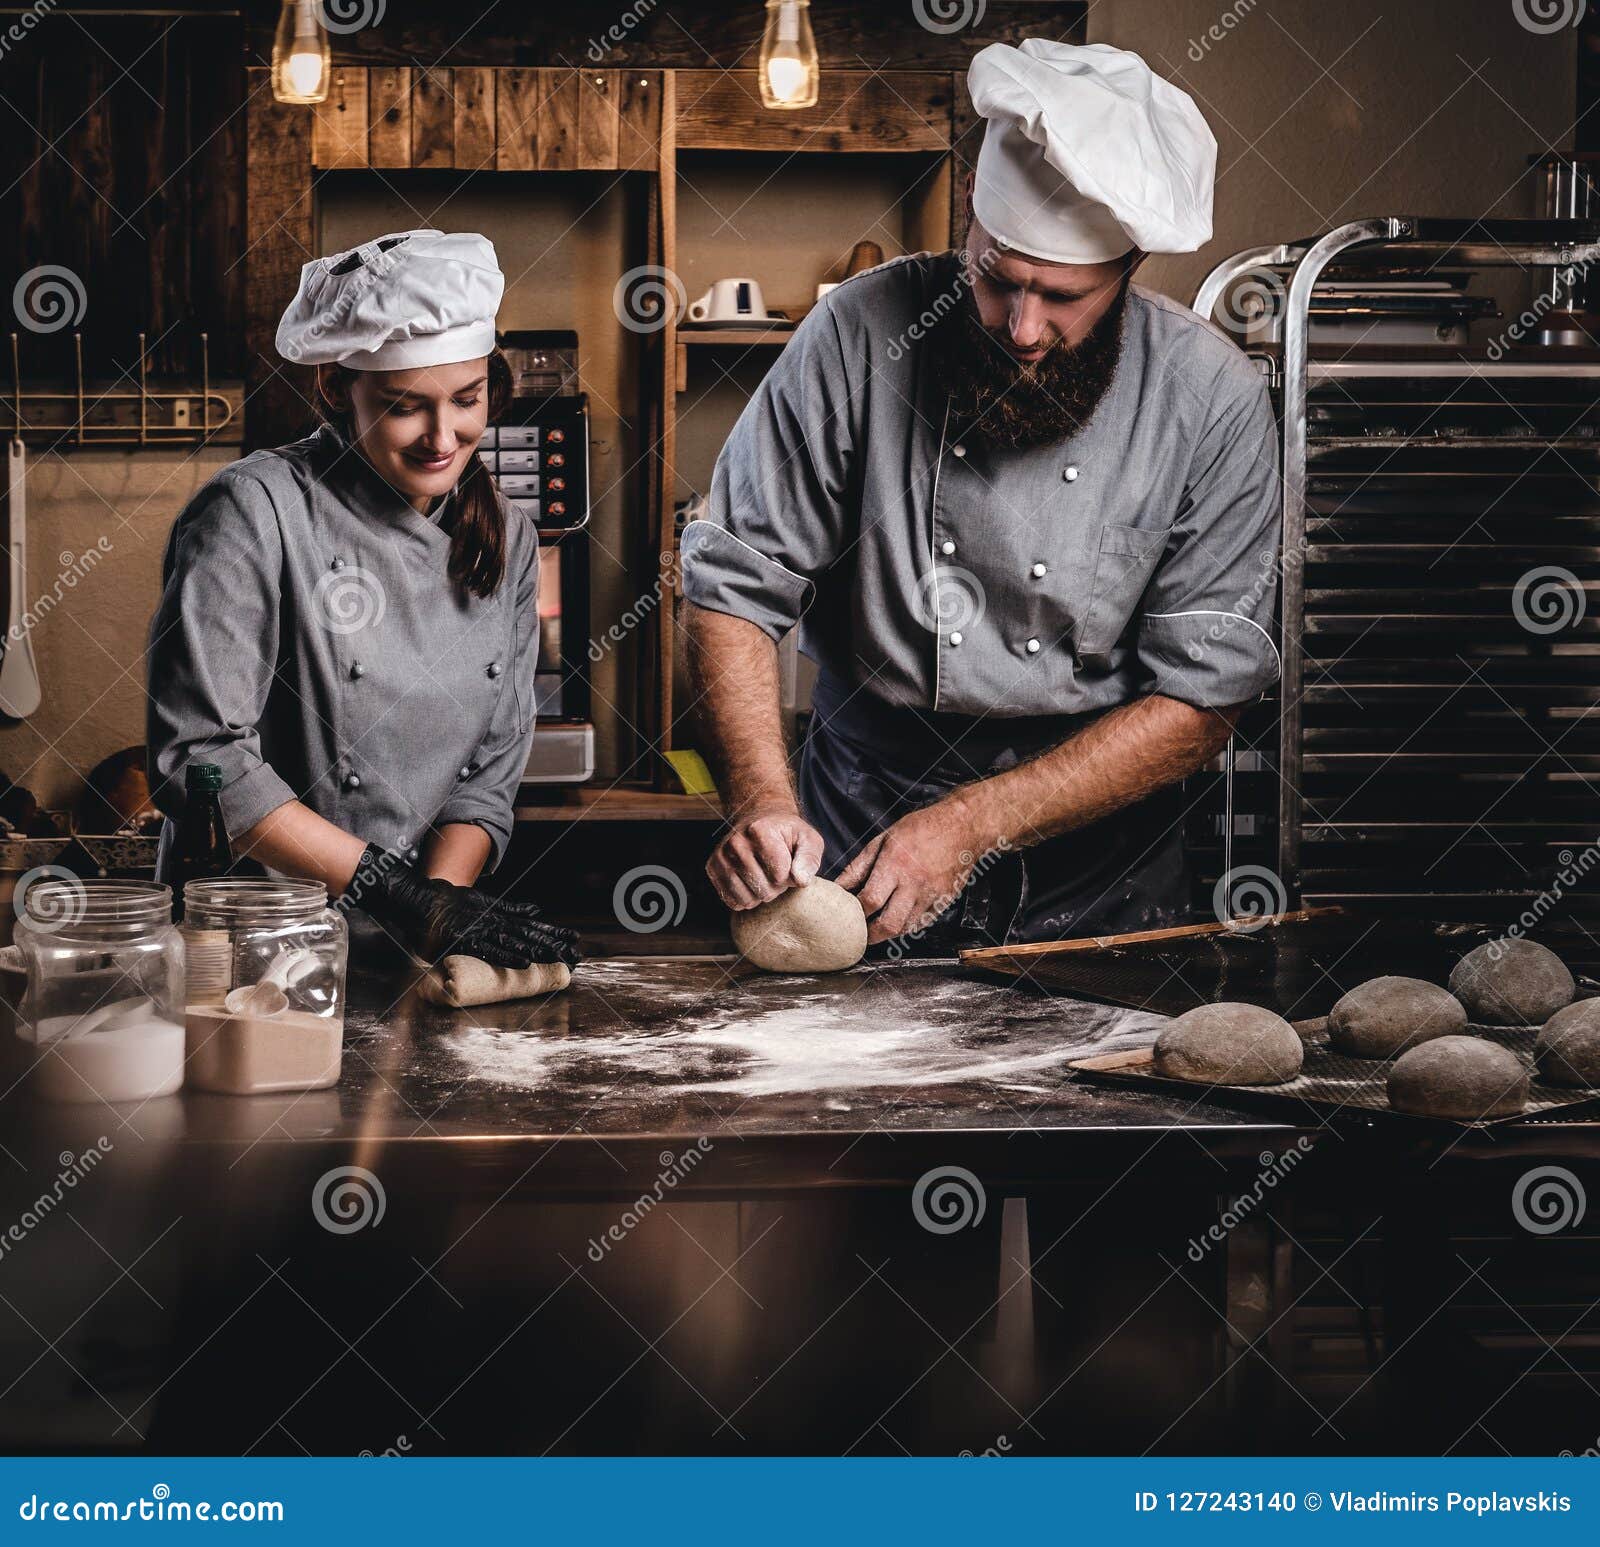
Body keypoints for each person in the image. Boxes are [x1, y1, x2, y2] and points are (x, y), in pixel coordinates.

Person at [682, 40, 1282, 950]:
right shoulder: (859, 333)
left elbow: (1205, 696)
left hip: (1103, 870)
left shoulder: (1210, 399)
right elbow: (734, 586)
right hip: (858, 831)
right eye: (997, 281)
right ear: (971, 227)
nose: (1023, 329)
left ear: (1127, 274)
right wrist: (762, 802)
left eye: (1063, 297)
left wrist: (970, 824)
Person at [147, 230, 578, 969]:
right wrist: (392, 893)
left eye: (467, 400)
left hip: (405, 948)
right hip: (247, 941)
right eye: (406, 407)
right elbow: (201, 758)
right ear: (337, 390)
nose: (443, 437)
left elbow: (486, 773)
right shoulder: (254, 512)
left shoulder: (508, 537)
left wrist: (434, 913)